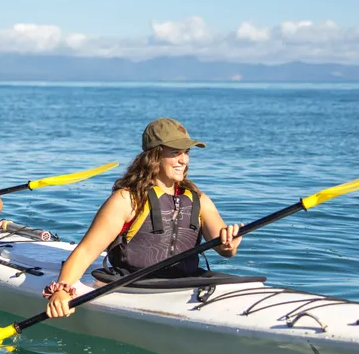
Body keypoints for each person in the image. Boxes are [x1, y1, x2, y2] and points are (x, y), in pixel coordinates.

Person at [44, 117, 242, 318]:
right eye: (175, 153)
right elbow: (86, 251)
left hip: (186, 286)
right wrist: (62, 289)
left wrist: (229, 244)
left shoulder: (199, 200)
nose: (184, 160)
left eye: (186, 153)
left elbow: (226, 250)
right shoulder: (127, 200)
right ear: (154, 156)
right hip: (132, 286)